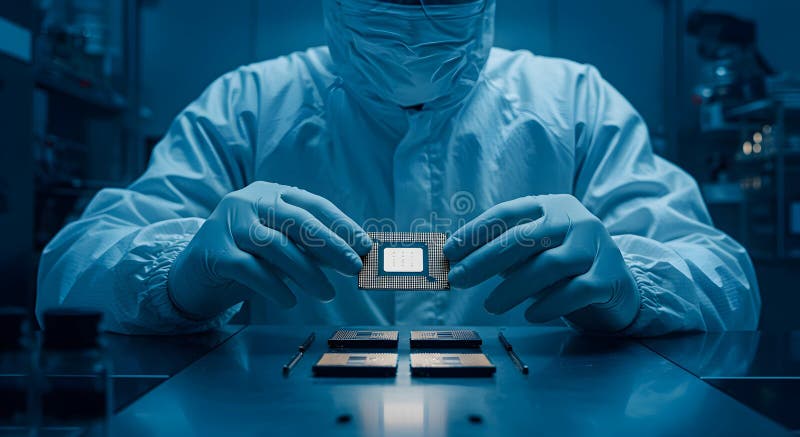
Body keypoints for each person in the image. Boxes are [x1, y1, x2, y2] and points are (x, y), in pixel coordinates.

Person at [36, 0, 760, 336]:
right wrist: (175, 280)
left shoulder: (575, 105)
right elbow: (70, 269)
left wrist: (633, 291)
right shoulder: (248, 107)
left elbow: (726, 278)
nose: (413, 25)